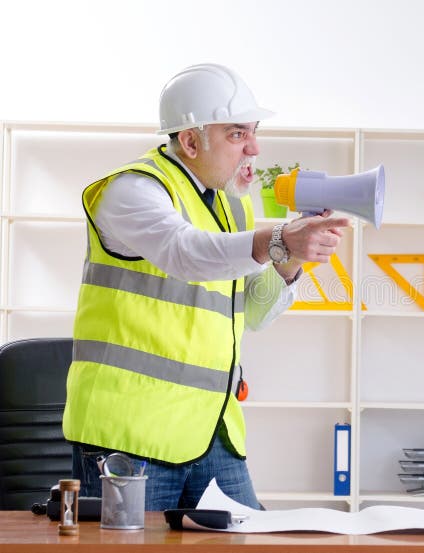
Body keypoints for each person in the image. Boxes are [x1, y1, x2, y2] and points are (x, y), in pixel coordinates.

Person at [62, 63, 351, 510]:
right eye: (237, 135)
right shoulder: (133, 189)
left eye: (253, 132)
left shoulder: (233, 210)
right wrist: (275, 240)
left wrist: (290, 256)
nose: (254, 148)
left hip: (212, 434)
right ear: (191, 140)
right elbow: (185, 253)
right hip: (130, 438)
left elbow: (252, 314)